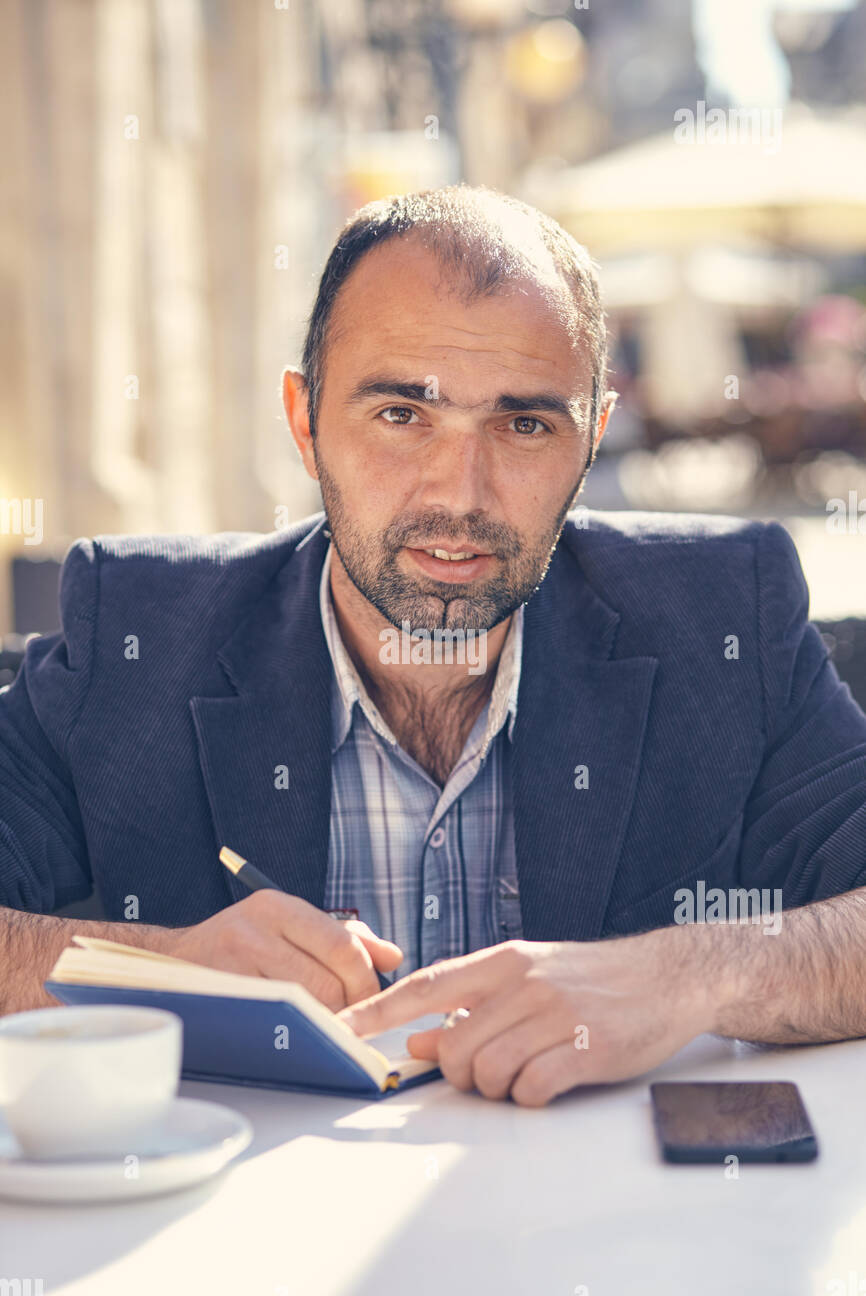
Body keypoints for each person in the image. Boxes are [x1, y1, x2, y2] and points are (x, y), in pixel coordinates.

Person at [2, 185, 865, 1107]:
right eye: (401, 415)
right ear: (304, 423)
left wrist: (681, 975)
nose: (459, 493)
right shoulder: (137, 632)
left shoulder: (724, 615)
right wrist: (165, 967)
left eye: (525, 424)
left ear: (594, 438)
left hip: (612, 1239)